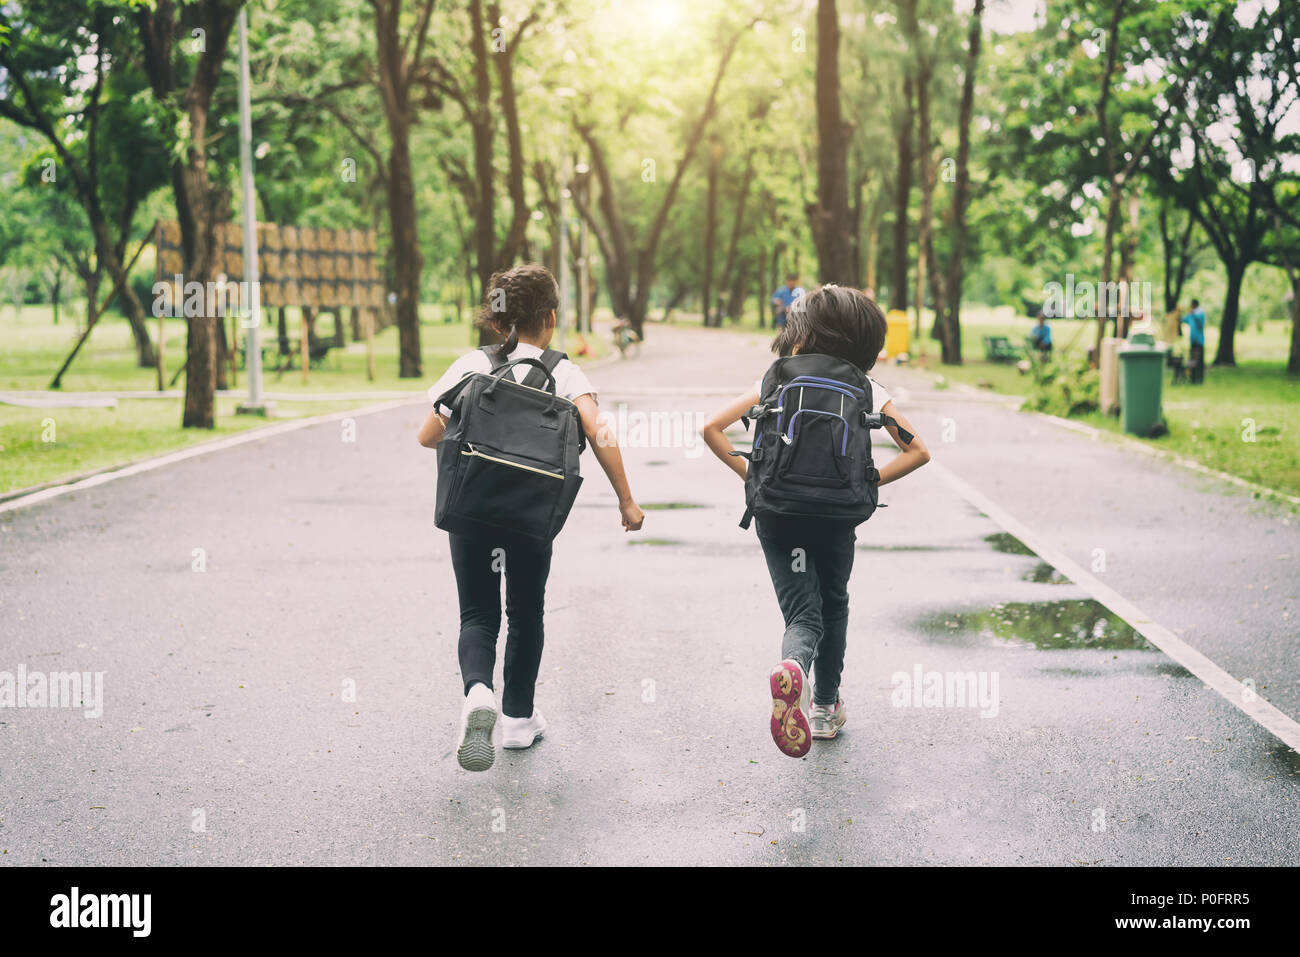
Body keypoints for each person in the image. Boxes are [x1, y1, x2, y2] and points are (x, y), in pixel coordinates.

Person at [417, 263, 645, 772]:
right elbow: (599, 432)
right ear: (551, 316)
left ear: (498, 319)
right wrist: (626, 500)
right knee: (525, 612)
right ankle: (518, 720)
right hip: (530, 514)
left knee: (477, 614)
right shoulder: (565, 372)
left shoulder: (471, 365)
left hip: (471, 510)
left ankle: (478, 693)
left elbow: (427, 435)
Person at [699, 286, 930, 757]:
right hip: (836, 516)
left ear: (800, 335)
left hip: (777, 512)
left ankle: (795, 667)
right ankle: (824, 707)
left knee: (802, 612)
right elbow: (918, 450)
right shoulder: (868, 389)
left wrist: (754, 476)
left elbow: (711, 428)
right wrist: (866, 484)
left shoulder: (777, 380)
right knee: (834, 603)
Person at [1181, 299, 1207, 384]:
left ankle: (1199, 379)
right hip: (1192, 341)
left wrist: (1193, 313)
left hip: (1200, 341)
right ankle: (1193, 378)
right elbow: (1184, 319)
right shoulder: (1191, 314)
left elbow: (1200, 322)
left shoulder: (1200, 313)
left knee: (1199, 361)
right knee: (1192, 360)